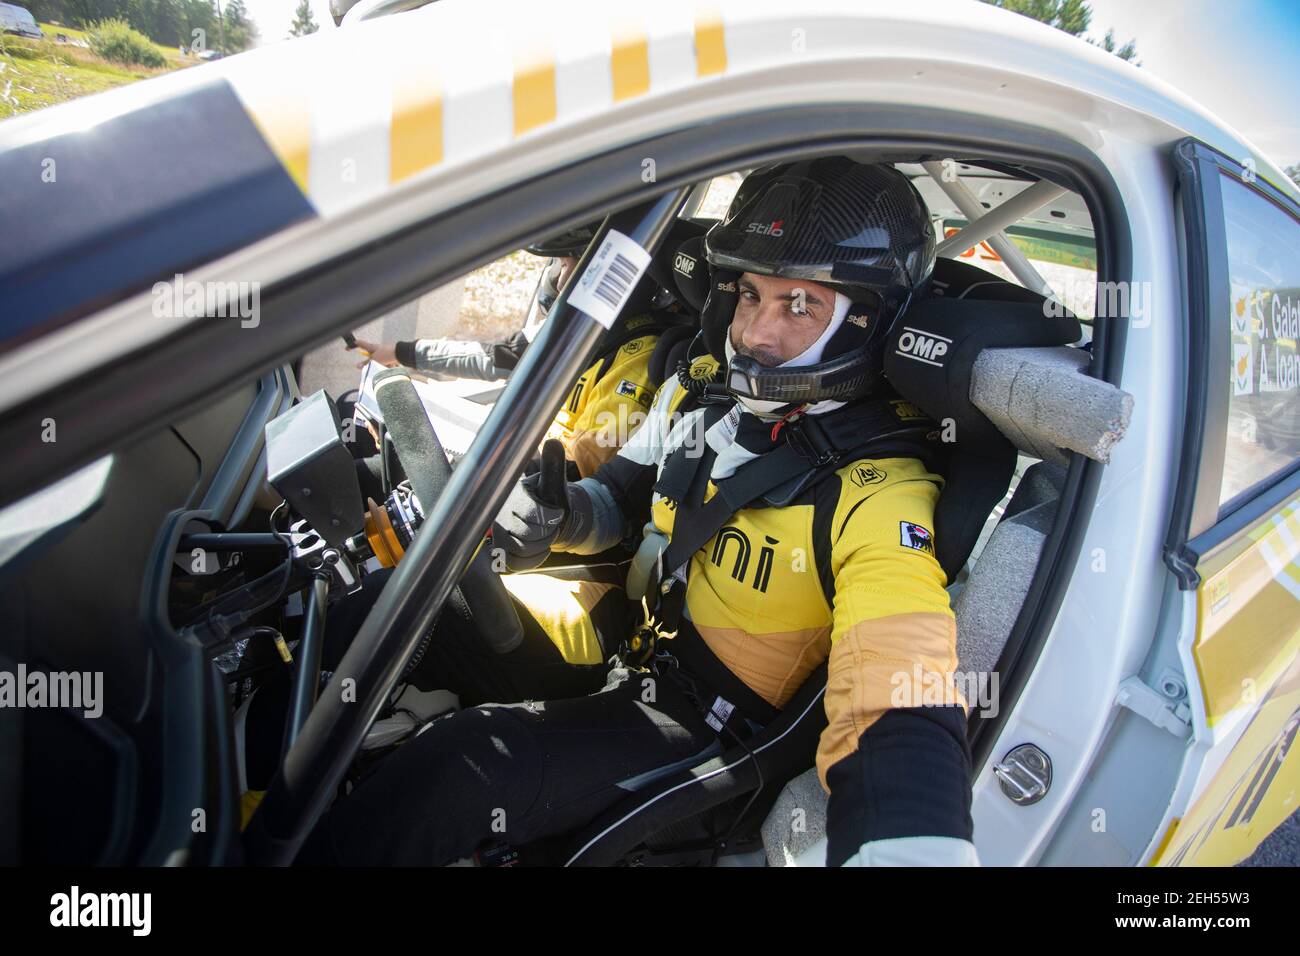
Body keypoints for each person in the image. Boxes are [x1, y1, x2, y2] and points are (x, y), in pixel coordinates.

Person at [300, 157, 976, 867]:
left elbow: (900, 683)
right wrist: (559, 520)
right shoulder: (701, 392)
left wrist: (910, 844)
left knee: (464, 764)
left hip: (701, 735)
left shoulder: (879, 488)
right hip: (630, 654)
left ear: (866, 320)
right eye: (750, 294)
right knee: (389, 604)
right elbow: (616, 500)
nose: (755, 334)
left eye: (799, 304)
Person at [349, 223, 695, 478]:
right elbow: (494, 356)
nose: (558, 282)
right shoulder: (577, 338)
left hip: (532, 492)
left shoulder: (637, 358)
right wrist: (397, 352)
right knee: (358, 429)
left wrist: (475, 464)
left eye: (565, 265)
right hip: (513, 457)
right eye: (557, 267)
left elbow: (585, 462)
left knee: (378, 471)